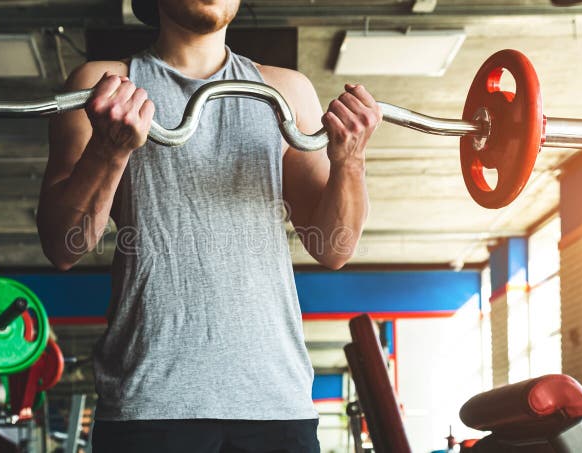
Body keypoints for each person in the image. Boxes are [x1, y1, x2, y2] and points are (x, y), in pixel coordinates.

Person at [37, 0, 379, 451]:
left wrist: (349, 162)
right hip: (150, 401)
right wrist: (109, 151)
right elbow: (63, 247)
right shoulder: (102, 86)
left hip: (276, 402)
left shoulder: (287, 91)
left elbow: (335, 247)